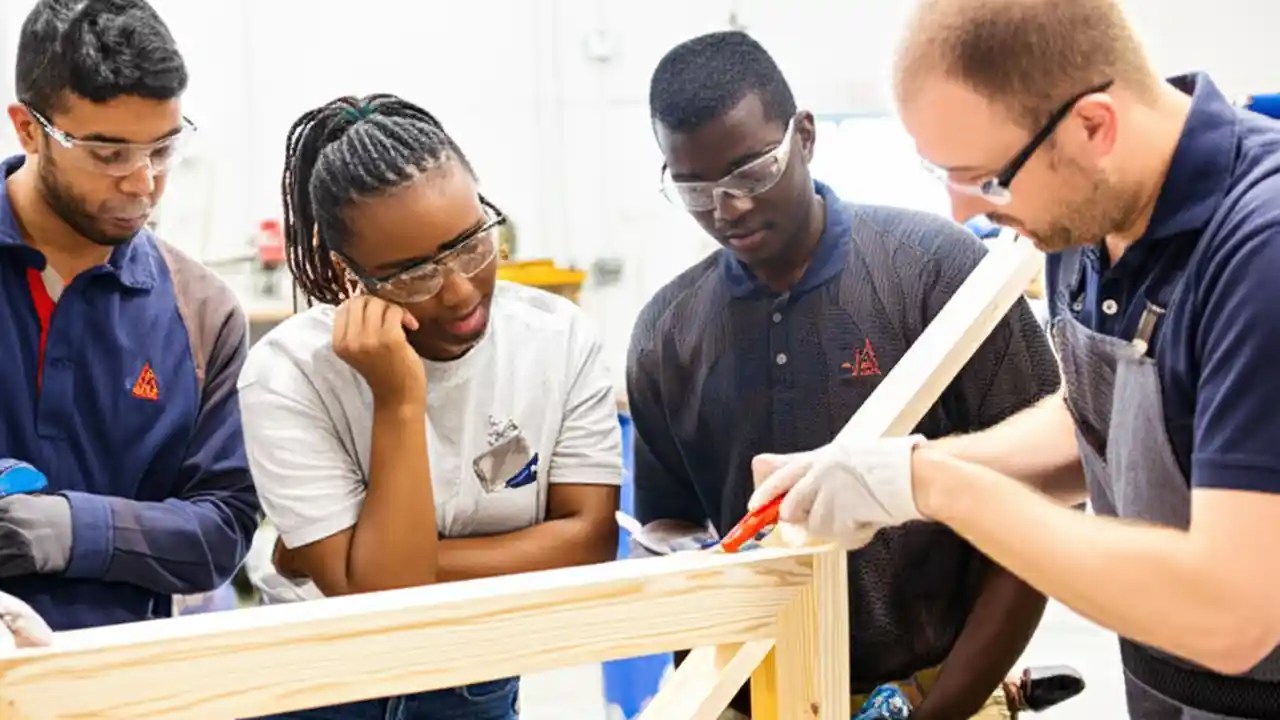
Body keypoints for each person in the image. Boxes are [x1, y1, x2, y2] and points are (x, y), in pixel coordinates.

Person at [749, 1, 1280, 718]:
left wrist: (934, 484)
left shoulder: (1260, 255)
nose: (964, 212)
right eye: (941, 173)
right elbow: (1102, 421)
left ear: (1095, 126)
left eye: (987, 179)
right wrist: (878, 473)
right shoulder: (1086, 215)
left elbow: (1234, 616)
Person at [629, 31, 1063, 720]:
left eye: (750, 173)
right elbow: (669, 528)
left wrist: (944, 708)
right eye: (695, 188)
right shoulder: (666, 335)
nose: (728, 207)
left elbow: (1041, 511)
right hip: (762, 699)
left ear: (804, 136)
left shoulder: (938, 274)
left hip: (947, 689)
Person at [237, 94, 622, 720]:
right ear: (347, 273)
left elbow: (589, 542)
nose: (461, 290)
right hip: (320, 691)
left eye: (472, 242)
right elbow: (387, 608)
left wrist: (339, 560)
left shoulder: (558, 340)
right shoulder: (289, 374)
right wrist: (397, 398)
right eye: (414, 273)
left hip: (478, 683)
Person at [0, 0, 258, 634]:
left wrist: (74, 529)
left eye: (163, 148)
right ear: (29, 129)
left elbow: (222, 529)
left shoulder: (203, 313)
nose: (143, 183)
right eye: (109, 154)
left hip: (127, 682)